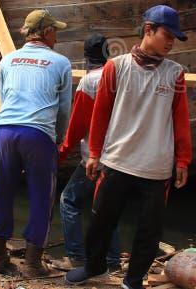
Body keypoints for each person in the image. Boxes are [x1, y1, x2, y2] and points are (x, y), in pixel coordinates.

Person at [65, 5, 192, 289]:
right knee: (101, 220)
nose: (171, 42)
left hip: (156, 167)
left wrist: (183, 159)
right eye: (167, 35)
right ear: (148, 30)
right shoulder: (117, 66)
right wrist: (94, 154)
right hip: (117, 160)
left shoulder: (175, 73)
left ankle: (133, 279)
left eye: (175, 38)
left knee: (149, 230)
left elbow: (180, 119)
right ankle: (94, 265)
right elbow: (100, 114)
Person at [0, 9, 73, 277]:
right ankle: (33, 264)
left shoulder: (8, 60)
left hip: (4, 131)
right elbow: (64, 109)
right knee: (41, 197)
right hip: (38, 134)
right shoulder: (61, 63)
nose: (57, 37)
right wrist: (58, 139)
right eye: (55, 31)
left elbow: (4, 98)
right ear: (46, 32)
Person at [57, 33, 122, 271]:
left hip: (94, 159)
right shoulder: (120, 77)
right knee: (108, 207)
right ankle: (113, 261)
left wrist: (61, 154)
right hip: (119, 157)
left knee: (69, 201)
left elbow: (77, 126)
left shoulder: (89, 82)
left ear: (86, 58)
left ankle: (76, 256)